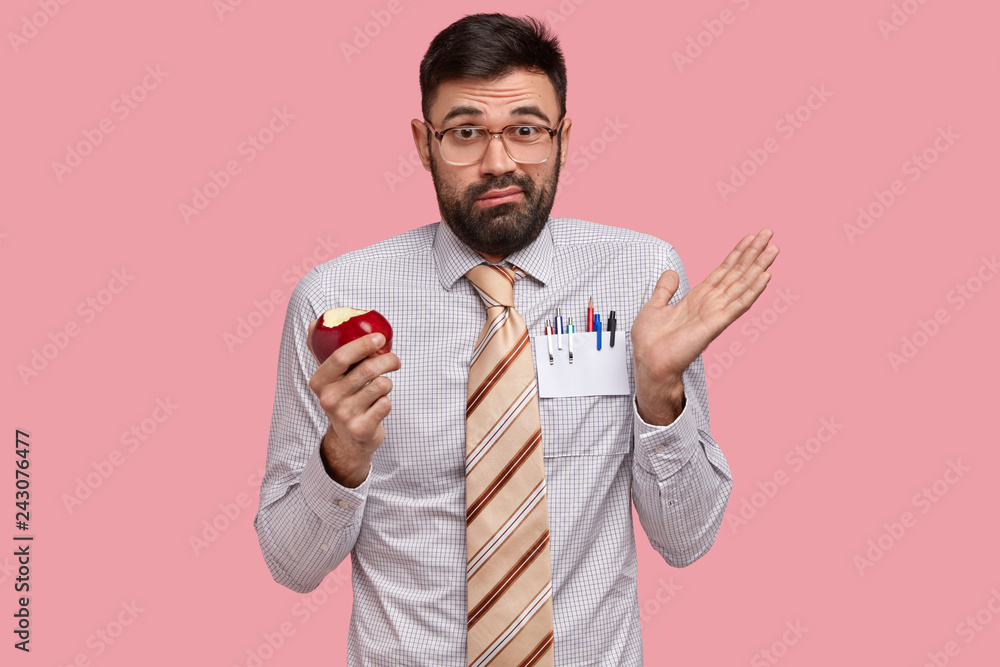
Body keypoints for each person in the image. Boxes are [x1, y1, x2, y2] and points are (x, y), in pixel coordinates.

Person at [254, 13, 778, 666]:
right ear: (424, 142)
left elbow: (688, 537)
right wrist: (344, 455)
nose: (498, 162)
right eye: (466, 132)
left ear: (563, 137)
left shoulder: (642, 277)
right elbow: (290, 563)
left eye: (526, 130)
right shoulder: (335, 300)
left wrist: (660, 394)